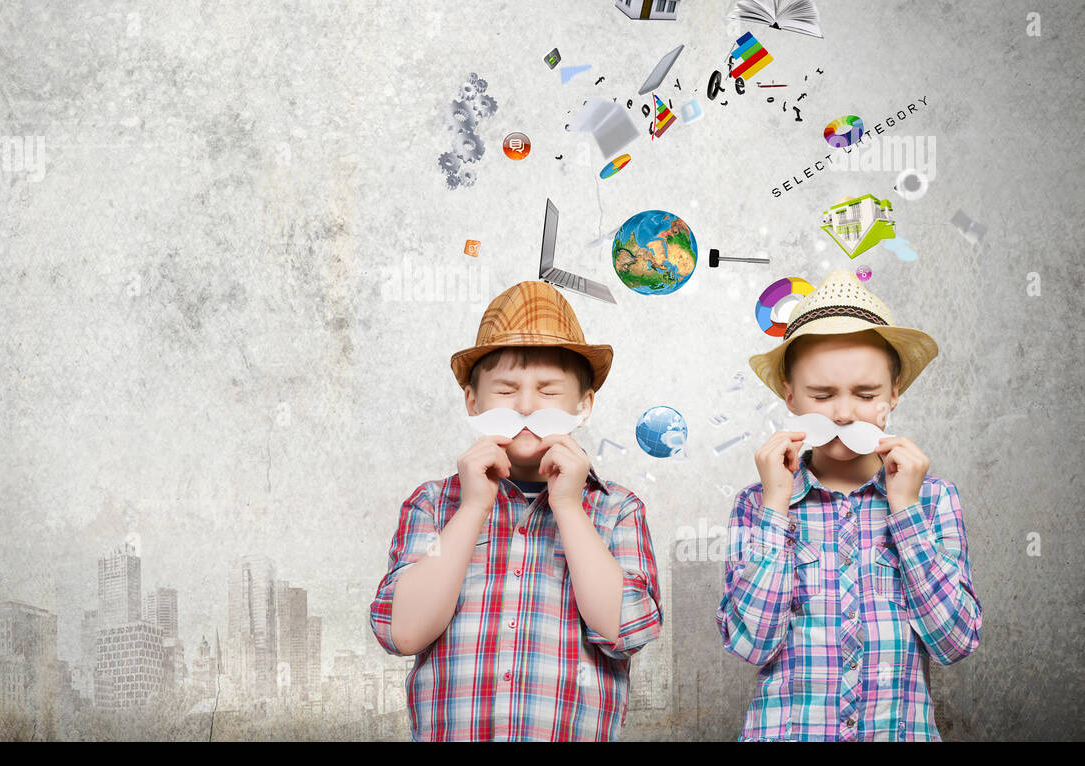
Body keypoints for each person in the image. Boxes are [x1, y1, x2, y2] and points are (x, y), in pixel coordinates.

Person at [369, 280, 662, 740]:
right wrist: (471, 508)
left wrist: (567, 503)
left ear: (583, 406)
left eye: (548, 391)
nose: (526, 405)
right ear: (473, 401)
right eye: (506, 390)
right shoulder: (431, 504)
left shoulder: (616, 510)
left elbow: (629, 631)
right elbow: (401, 633)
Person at [718, 270, 981, 740]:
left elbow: (956, 642)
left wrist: (905, 514)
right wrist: (777, 506)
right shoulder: (757, 503)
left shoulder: (934, 499)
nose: (843, 413)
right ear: (790, 395)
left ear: (894, 394)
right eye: (821, 395)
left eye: (866, 395)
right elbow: (750, 645)